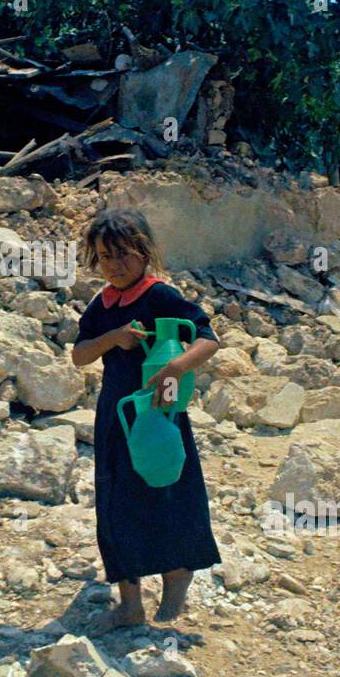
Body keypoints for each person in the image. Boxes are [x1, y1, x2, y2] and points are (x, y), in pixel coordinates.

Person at [70, 208, 222, 630]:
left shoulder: (161, 296)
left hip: (161, 410)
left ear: (144, 252)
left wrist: (176, 367)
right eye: (105, 257)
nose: (115, 266)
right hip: (116, 414)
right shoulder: (103, 304)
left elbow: (208, 340)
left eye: (123, 255)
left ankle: (177, 574)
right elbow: (80, 355)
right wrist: (112, 339)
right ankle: (130, 603)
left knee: (169, 491)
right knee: (116, 503)